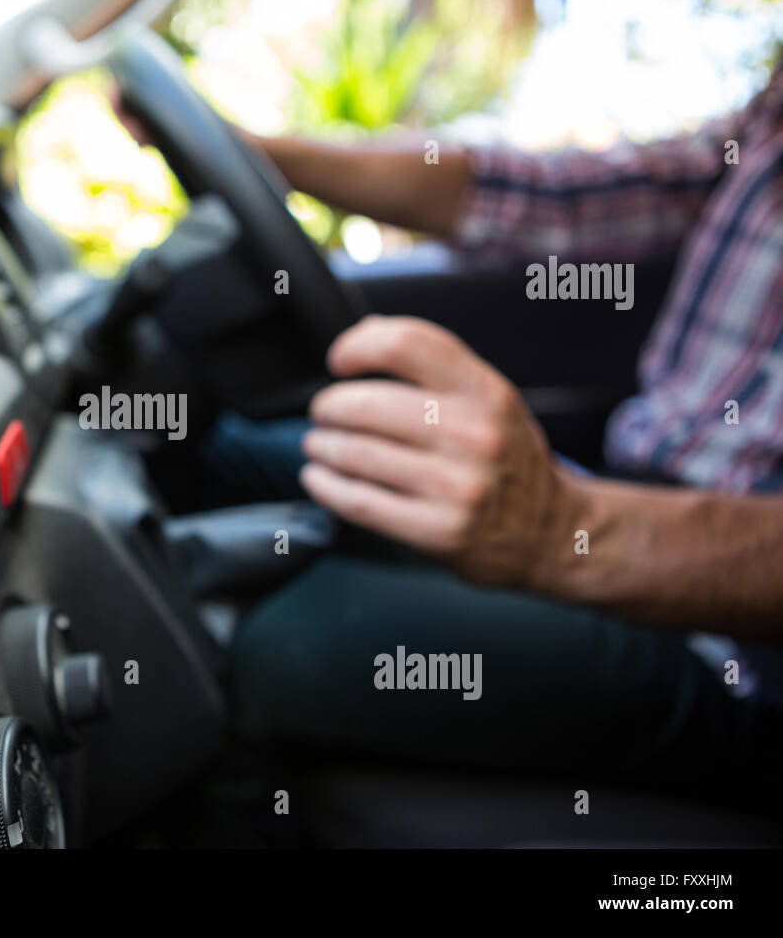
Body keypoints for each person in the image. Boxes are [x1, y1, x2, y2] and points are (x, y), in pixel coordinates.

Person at [114, 66, 783, 794]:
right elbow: (561, 195)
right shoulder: (770, 120)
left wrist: (567, 527)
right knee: (218, 455)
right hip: (624, 495)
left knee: (267, 642)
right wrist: (260, 155)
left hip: (738, 654)